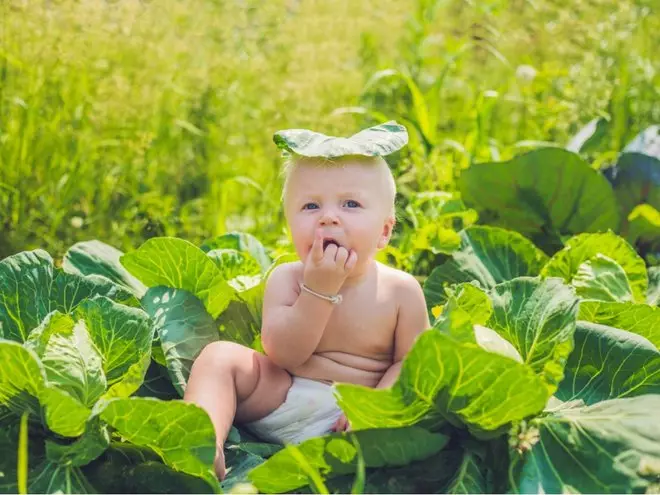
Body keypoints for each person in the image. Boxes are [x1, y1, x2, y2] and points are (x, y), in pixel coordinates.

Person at [184, 122, 430, 480]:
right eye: (311, 205)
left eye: (351, 203)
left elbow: (411, 363)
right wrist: (317, 291)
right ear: (289, 226)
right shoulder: (287, 278)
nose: (328, 216)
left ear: (384, 231)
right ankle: (202, 444)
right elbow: (283, 356)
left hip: (357, 418)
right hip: (283, 399)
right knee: (219, 358)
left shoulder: (401, 291)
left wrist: (374, 407)